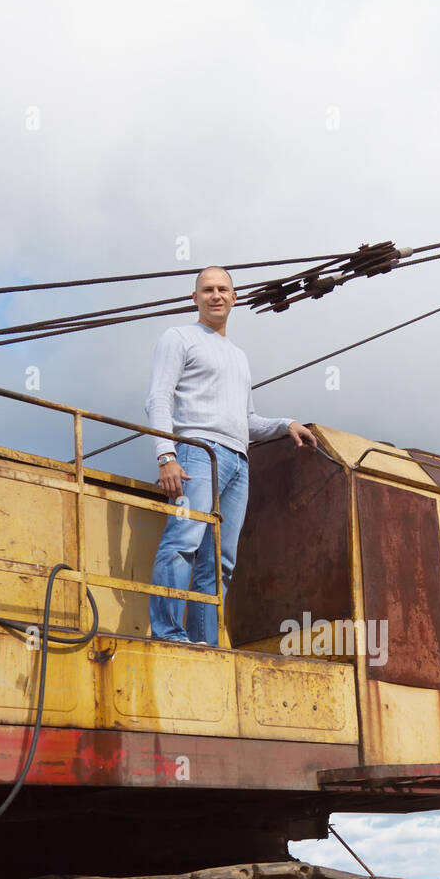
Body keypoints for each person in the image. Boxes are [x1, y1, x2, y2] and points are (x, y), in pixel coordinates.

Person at [145, 265, 316, 645]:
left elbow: (247, 419)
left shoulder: (238, 356)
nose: (216, 295)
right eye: (208, 290)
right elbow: (158, 398)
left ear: (234, 297)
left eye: (223, 289)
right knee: (183, 540)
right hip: (197, 453)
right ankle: (169, 633)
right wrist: (165, 455)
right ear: (195, 298)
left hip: (238, 462)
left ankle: (203, 639)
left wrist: (285, 424)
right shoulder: (179, 338)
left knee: (221, 561)